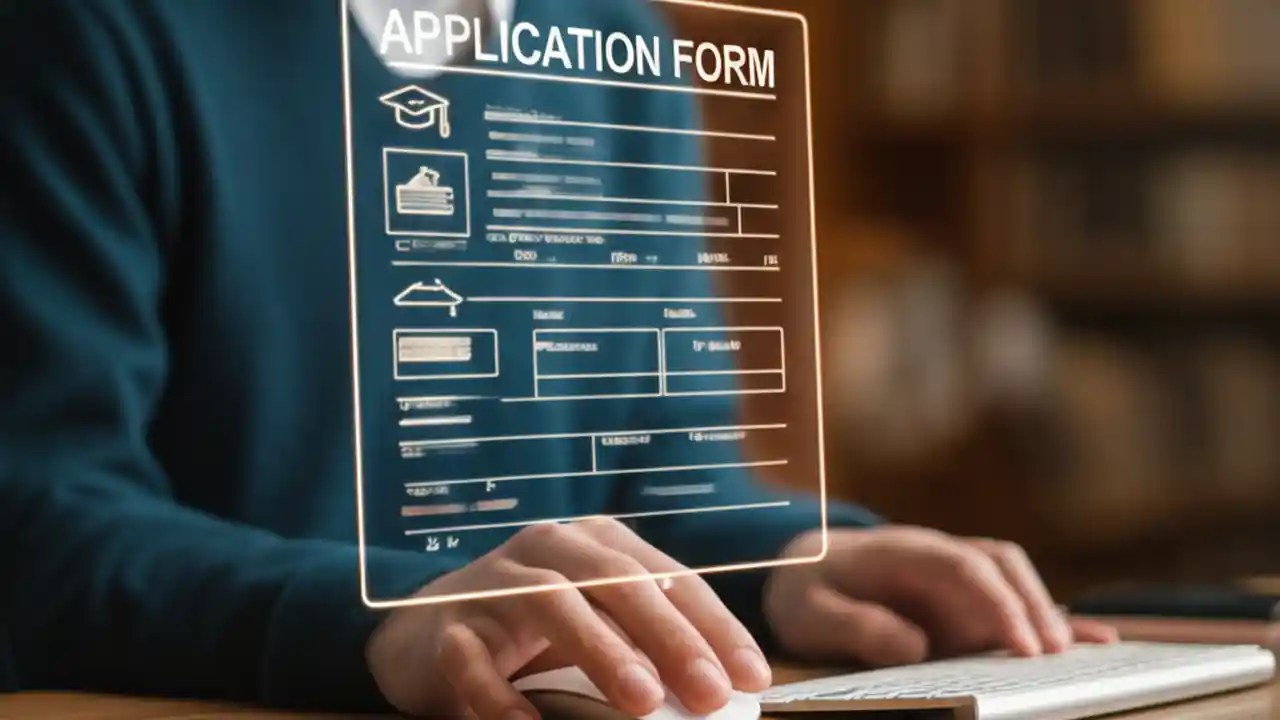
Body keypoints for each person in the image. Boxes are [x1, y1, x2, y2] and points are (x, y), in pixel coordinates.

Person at [0, 0, 1115, 717]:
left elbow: (655, 482)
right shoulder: (86, 33)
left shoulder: (616, 47)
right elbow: (38, 524)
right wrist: (380, 615)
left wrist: (790, 558)